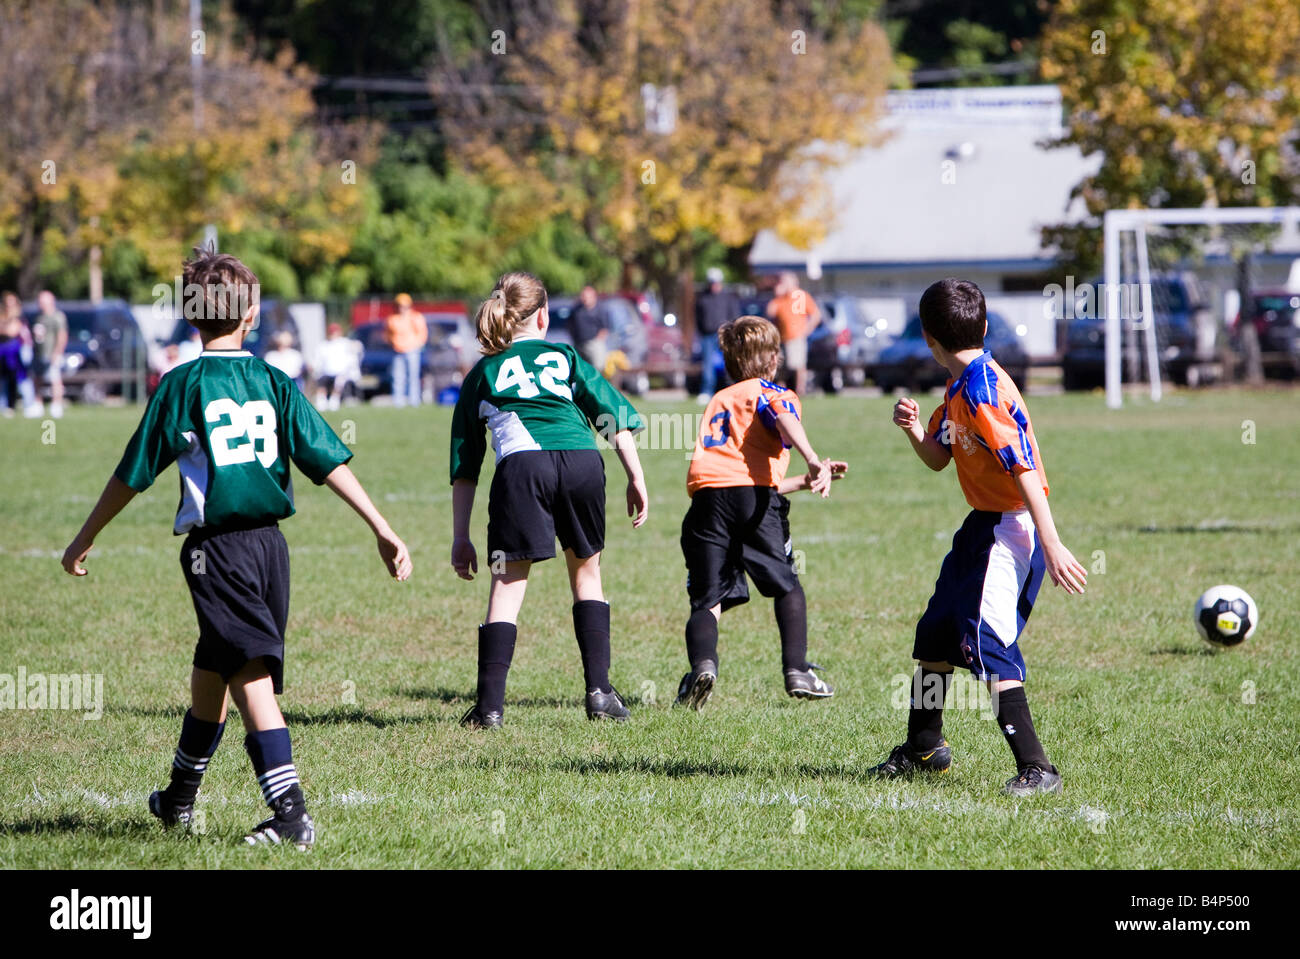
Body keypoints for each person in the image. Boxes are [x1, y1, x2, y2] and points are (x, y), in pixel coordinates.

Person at [60, 248, 412, 848]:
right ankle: (178, 799)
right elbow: (325, 460)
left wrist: (85, 534)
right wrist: (381, 524)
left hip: (216, 550)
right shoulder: (276, 381)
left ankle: (291, 815)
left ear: (191, 319)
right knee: (214, 672)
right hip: (271, 549)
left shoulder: (181, 384)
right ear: (250, 315)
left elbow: (133, 472)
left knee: (248, 674)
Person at [871, 278, 1087, 796]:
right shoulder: (959, 387)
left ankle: (1039, 768)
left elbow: (1025, 470)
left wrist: (1052, 542)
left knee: (989, 642)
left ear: (928, 339)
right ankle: (924, 747)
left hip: (1011, 527)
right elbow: (938, 459)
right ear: (985, 328)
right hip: (980, 528)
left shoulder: (985, 392)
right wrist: (913, 430)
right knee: (937, 633)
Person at [449, 271, 648, 728]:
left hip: (523, 467)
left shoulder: (482, 372)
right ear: (543, 317)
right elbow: (613, 417)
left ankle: (490, 709)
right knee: (587, 572)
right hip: (582, 460)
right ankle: (599, 692)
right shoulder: (564, 355)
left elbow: (466, 465)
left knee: (506, 581)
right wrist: (635, 476)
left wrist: (461, 536)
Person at [676, 315, 847, 710]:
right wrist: (812, 458)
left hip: (706, 500)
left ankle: (703, 666)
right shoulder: (771, 390)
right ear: (772, 358)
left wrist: (804, 480)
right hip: (749, 499)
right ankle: (797, 669)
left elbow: (736, 476)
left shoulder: (720, 399)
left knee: (706, 599)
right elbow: (783, 420)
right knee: (787, 585)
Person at [765, 272, 821, 395]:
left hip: (796, 336)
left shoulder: (800, 296)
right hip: (781, 338)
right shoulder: (780, 298)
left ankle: (799, 390)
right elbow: (770, 312)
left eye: (784, 281)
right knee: (780, 366)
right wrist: (776, 295)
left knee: (797, 364)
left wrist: (807, 329)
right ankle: (781, 391)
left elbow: (816, 314)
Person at [694, 267, 739, 402]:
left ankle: (732, 390)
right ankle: (707, 391)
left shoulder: (728, 298)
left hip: (725, 335)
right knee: (707, 365)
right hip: (707, 336)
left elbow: (734, 315)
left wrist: (731, 332)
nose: (714, 285)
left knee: (729, 363)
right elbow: (698, 317)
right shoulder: (703, 298)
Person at [0, 291, 41, 418]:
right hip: (3, 352)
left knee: (22, 378)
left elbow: (13, 331)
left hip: (16, 352)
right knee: (4, 380)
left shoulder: (19, 317)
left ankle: (29, 404)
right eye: (8, 303)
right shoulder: (3, 316)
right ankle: (5, 406)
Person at [385, 293, 427, 407]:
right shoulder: (392, 319)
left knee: (413, 377)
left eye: (404, 305)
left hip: (412, 351)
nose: (401, 308)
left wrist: (417, 345)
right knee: (398, 377)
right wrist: (392, 343)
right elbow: (388, 335)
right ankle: (398, 402)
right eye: (399, 305)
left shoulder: (416, 317)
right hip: (397, 351)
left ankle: (414, 401)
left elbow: (422, 333)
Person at [32, 290, 68, 418]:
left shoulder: (57, 316)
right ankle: (38, 405)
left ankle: (56, 405)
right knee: (37, 379)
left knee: (55, 379)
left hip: (52, 353)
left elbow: (62, 335)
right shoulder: (39, 317)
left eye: (43, 301)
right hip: (39, 354)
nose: (40, 304)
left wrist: (57, 352)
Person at [313, 322, 361, 411]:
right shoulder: (323, 345)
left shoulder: (345, 343)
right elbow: (318, 361)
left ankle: (334, 401)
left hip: (341, 372)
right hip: (326, 372)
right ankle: (321, 401)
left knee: (339, 382)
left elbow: (357, 349)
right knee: (321, 382)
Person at [570, 285, 609, 373]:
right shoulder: (577, 309)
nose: (584, 298)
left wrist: (597, 341)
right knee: (580, 369)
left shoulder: (600, 309)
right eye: (583, 296)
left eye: (586, 296)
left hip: (593, 343)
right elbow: (570, 325)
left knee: (597, 368)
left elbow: (604, 328)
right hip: (579, 344)